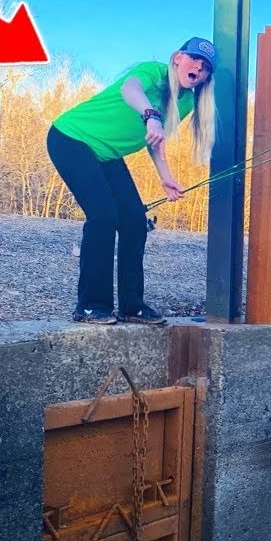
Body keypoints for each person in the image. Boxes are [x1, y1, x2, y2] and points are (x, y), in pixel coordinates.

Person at [46, 37, 219, 325]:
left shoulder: (186, 101)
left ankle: (131, 306)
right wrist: (150, 114)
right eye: (193, 61)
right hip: (71, 138)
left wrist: (166, 178)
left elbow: (154, 139)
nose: (197, 70)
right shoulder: (153, 73)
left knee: (135, 221)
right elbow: (131, 89)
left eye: (204, 69)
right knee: (103, 216)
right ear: (177, 58)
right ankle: (90, 306)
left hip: (107, 153)